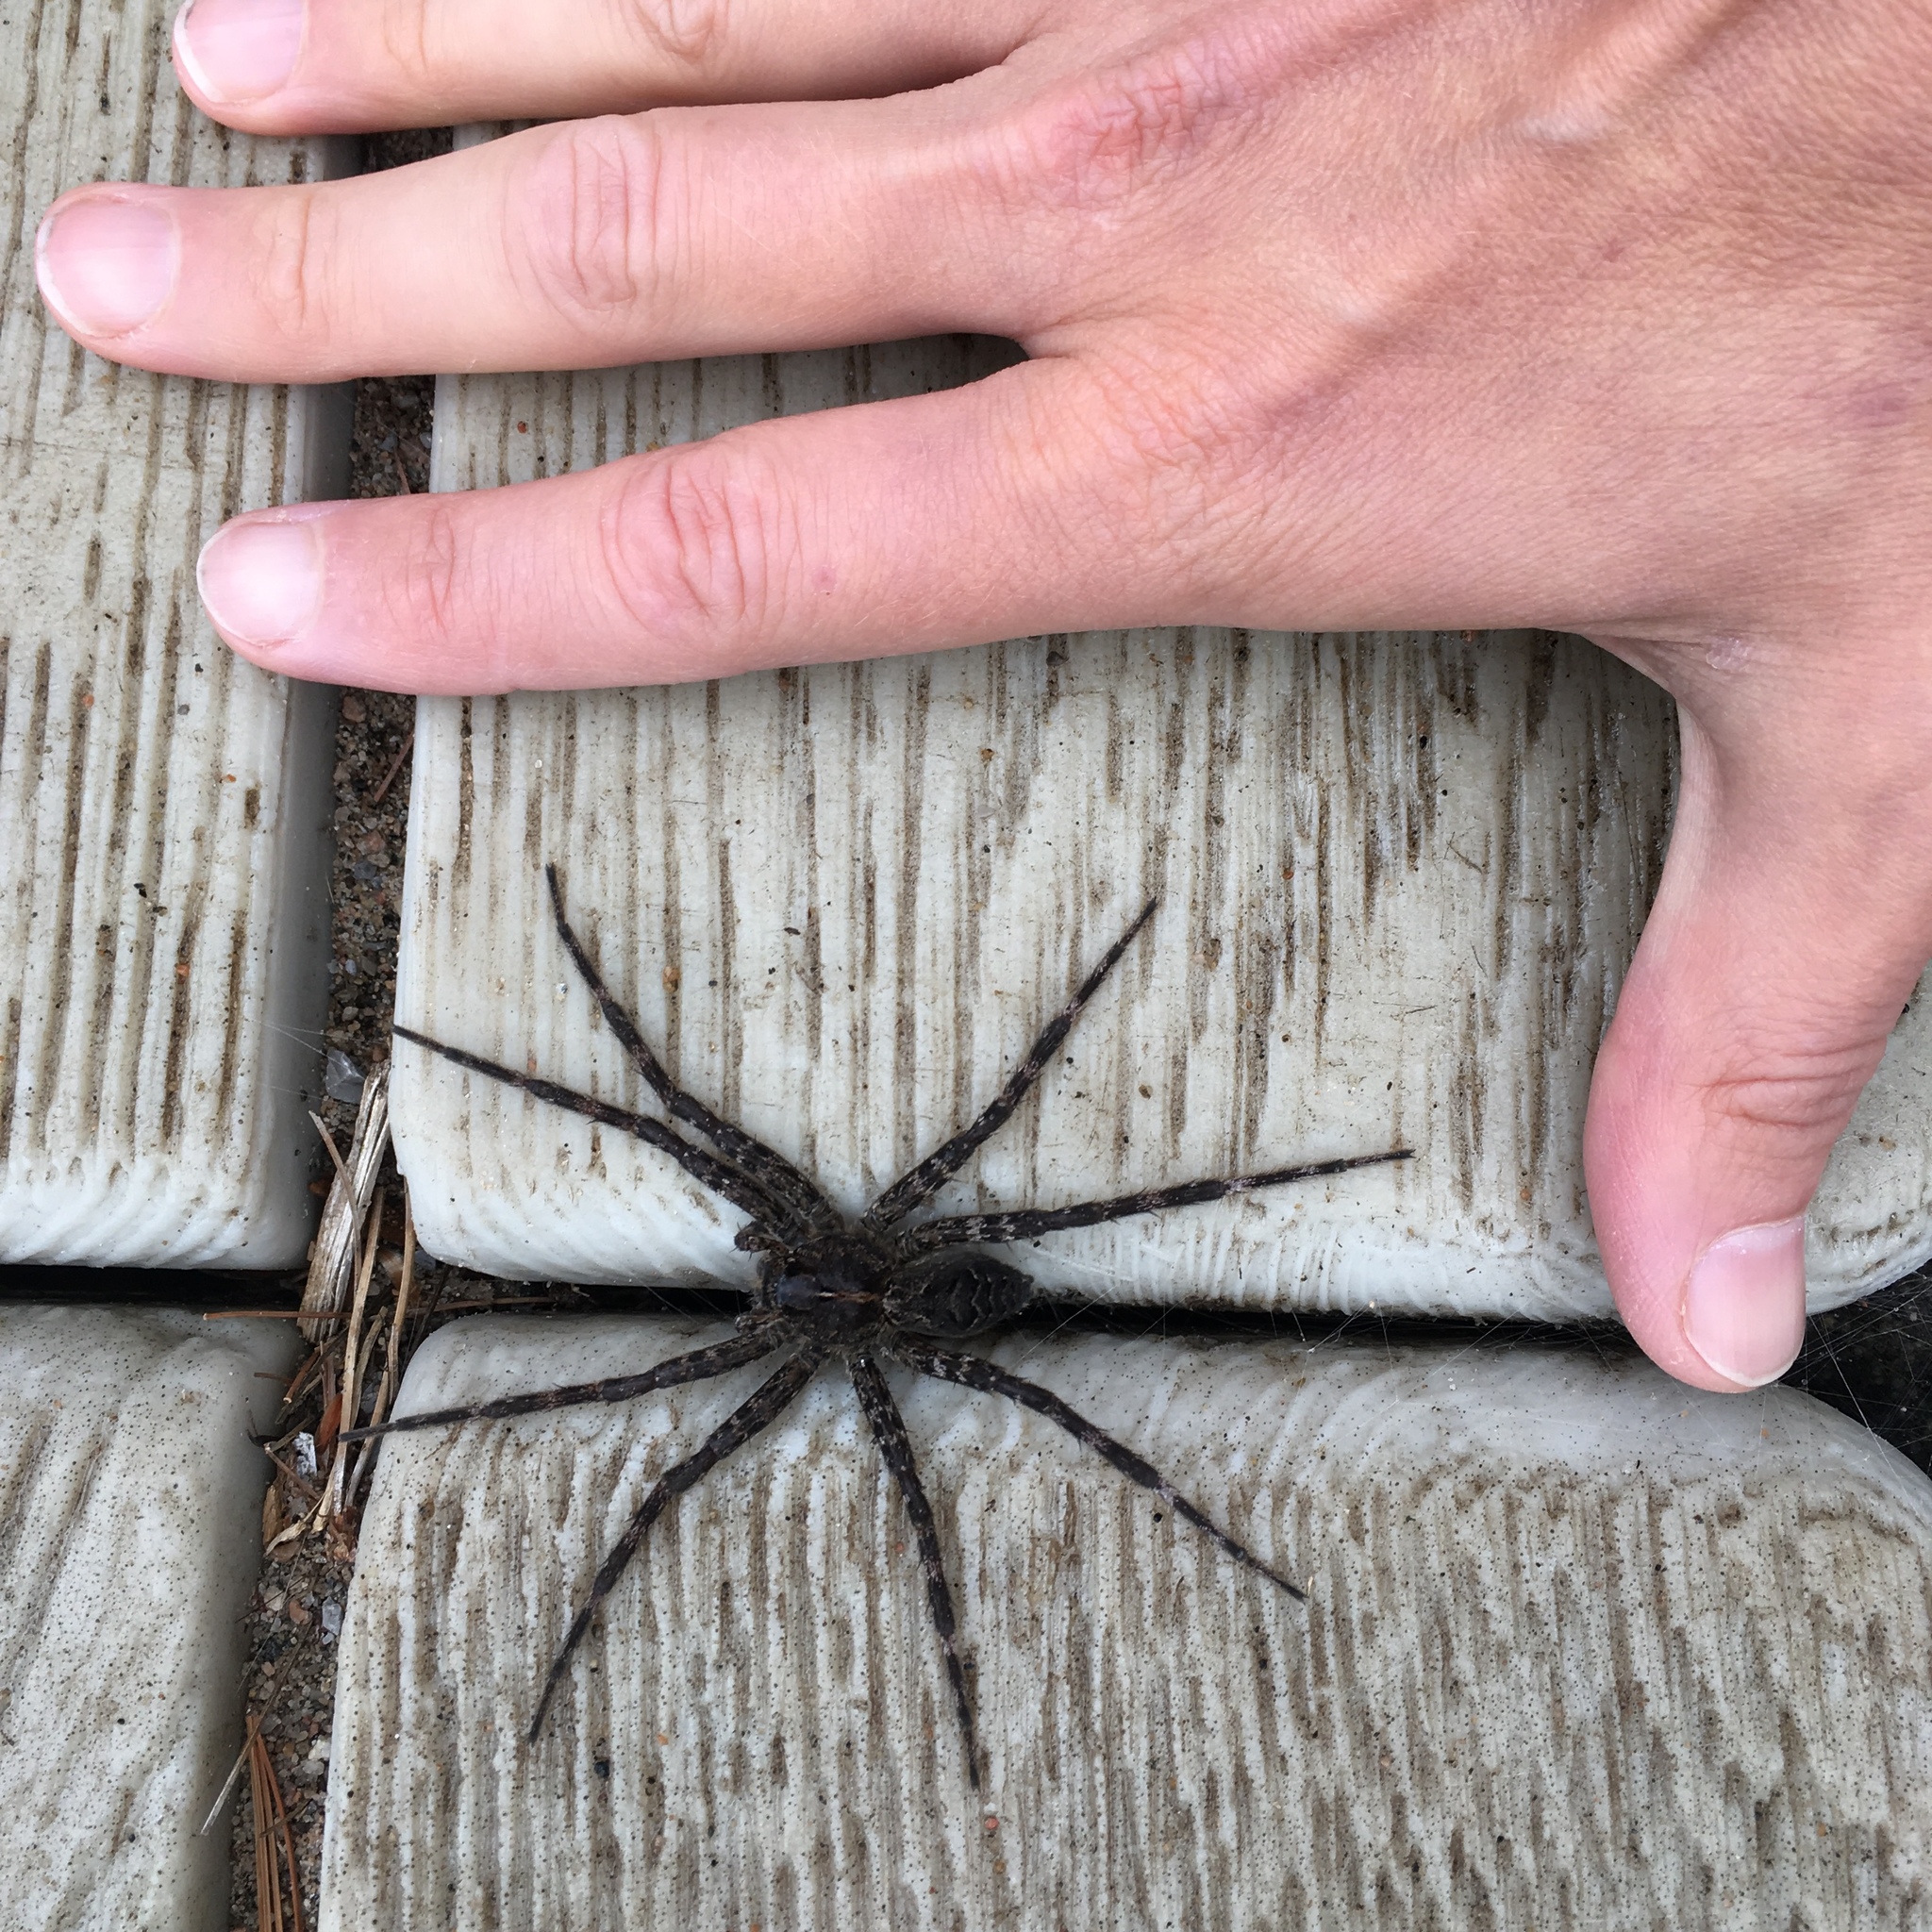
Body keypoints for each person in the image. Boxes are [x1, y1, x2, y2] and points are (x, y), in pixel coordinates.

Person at [36, 0, 1932, 1395]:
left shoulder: (827, 1288)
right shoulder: (849, 1277)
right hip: (931, 1285)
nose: (776, 1283)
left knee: (706, 1186)